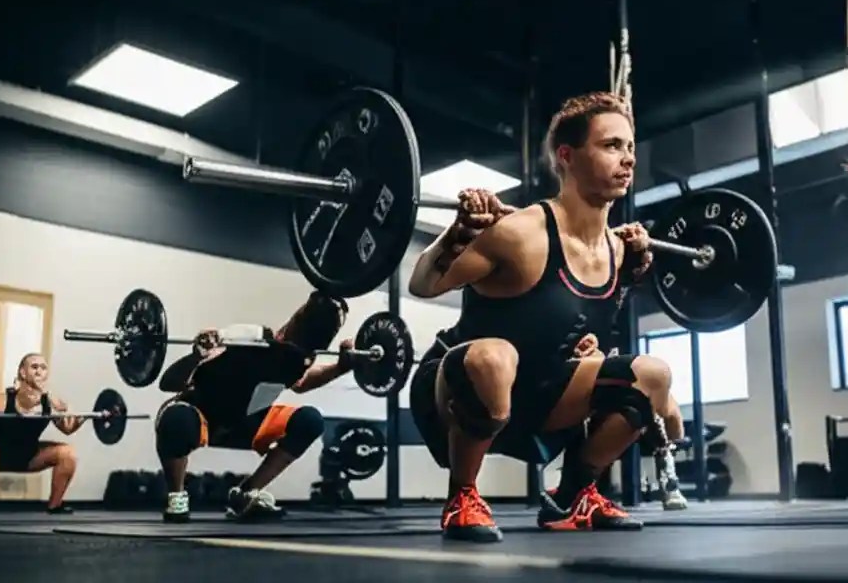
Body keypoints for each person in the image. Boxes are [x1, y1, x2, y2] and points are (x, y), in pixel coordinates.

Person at [407, 91, 674, 542]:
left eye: (629, 146)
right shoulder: (521, 234)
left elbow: (579, 325)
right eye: (611, 145)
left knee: (652, 376)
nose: (628, 158)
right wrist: (456, 234)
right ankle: (462, 496)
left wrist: (628, 280)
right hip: (458, 387)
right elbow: (423, 284)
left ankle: (573, 495)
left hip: (540, 393)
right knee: (495, 358)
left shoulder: (617, 250)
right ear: (567, 157)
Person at [153, 291, 353, 523]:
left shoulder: (296, 360)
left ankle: (246, 494)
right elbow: (168, 383)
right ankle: (176, 496)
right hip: (201, 418)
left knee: (309, 421)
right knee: (175, 418)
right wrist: (196, 357)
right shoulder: (245, 339)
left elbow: (302, 383)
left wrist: (341, 367)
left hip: (247, 422)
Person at [0, 352, 85, 514]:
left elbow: (68, 429)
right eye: (34, 367)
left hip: (29, 456)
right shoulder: (1, 402)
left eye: (43, 368)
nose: (39, 372)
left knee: (68, 453)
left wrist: (81, 420)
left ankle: (55, 505)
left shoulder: (52, 403)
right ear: (23, 372)